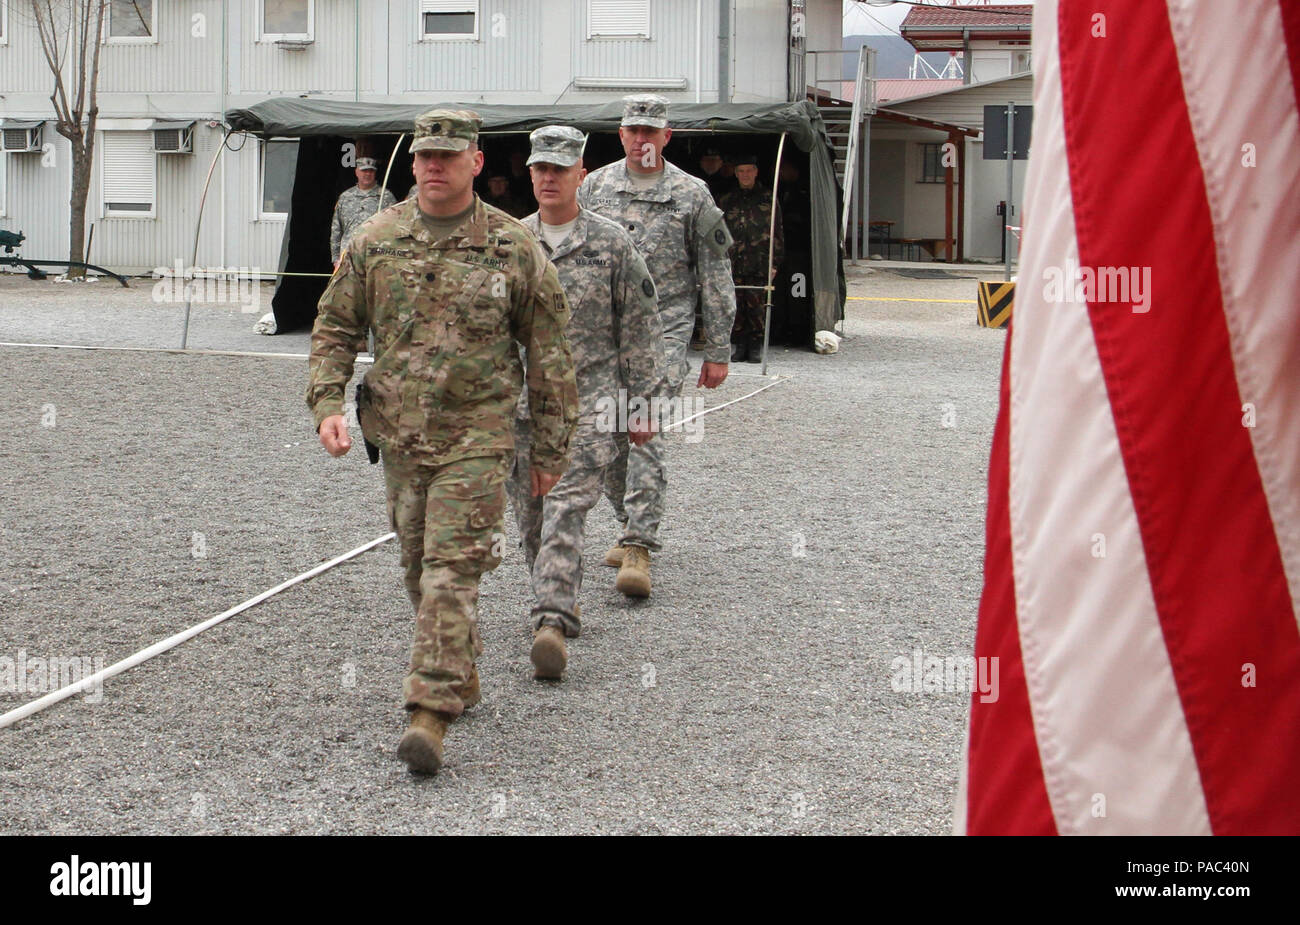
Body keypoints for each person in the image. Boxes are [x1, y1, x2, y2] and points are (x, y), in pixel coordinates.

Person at [306, 109, 578, 775]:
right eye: (425, 155)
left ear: (476, 163)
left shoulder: (511, 247)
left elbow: (550, 351)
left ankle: (429, 708)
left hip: (479, 439)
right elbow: (336, 324)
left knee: (451, 569)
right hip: (399, 435)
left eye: (448, 156)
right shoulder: (377, 238)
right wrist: (326, 402)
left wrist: (550, 447)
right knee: (415, 567)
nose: (433, 165)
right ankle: (460, 667)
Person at [507, 126, 666, 679]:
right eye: (539, 169)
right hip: (523, 411)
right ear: (530, 173)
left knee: (566, 507)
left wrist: (642, 404)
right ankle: (552, 590)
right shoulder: (512, 243)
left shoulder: (612, 243)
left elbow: (641, 328)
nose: (548, 178)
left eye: (559, 169)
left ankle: (552, 618)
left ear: (581, 173)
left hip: (593, 403)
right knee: (530, 517)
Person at [579, 94, 737, 598]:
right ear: (621, 135)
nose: (642, 139)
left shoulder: (692, 195)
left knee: (644, 422)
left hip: (664, 328)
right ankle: (629, 521)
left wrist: (718, 347)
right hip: (602, 330)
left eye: (651, 132)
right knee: (608, 429)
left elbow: (714, 272)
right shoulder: (593, 187)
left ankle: (640, 545)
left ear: (667, 137)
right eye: (633, 131)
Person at [718, 153, 783, 362]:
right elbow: (718, 233)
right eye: (741, 171)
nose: (745, 175)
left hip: (759, 261)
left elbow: (778, 231)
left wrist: (775, 262)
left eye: (749, 171)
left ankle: (755, 346)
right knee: (735, 305)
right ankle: (739, 344)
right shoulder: (727, 200)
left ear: (756, 172)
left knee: (757, 306)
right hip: (733, 262)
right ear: (736, 174)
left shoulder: (768, 198)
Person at [329, 156, 397, 267]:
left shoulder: (386, 197)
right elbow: (336, 230)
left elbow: (395, 230)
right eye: (364, 170)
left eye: (371, 171)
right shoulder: (345, 197)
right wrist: (336, 259)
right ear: (356, 172)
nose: (367, 174)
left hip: (376, 259)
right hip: (348, 259)